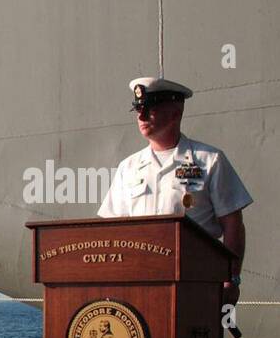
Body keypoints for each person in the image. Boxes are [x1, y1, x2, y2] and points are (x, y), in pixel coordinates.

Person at [98, 77, 251, 306]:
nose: (141, 116)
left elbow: (232, 224)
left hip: (196, 281)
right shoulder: (127, 167)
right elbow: (110, 230)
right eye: (138, 109)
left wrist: (232, 279)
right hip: (138, 284)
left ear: (175, 113)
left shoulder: (209, 160)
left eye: (150, 110)